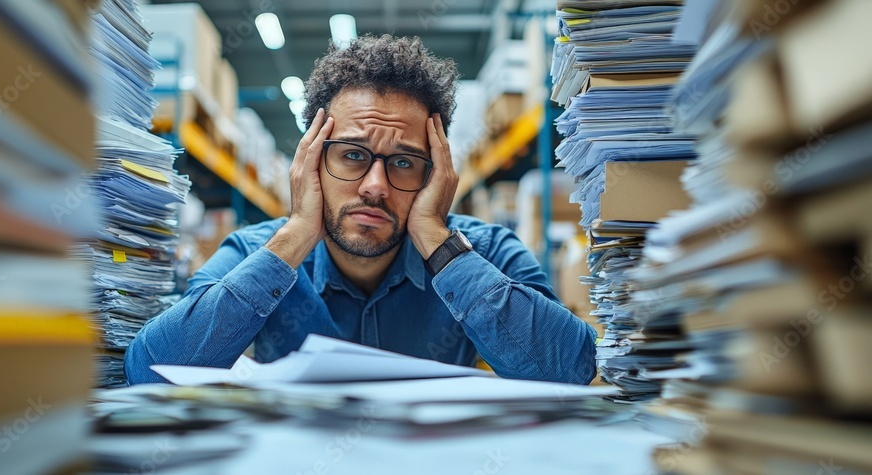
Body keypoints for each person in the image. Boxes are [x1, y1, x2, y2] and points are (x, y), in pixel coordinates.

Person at [125, 34, 596, 385]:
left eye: (404, 162)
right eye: (352, 155)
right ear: (310, 159)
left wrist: (438, 242)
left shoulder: (484, 250)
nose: (375, 187)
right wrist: (294, 237)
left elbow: (570, 368)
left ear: (437, 173)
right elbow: (150, 370)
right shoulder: (256, 252)